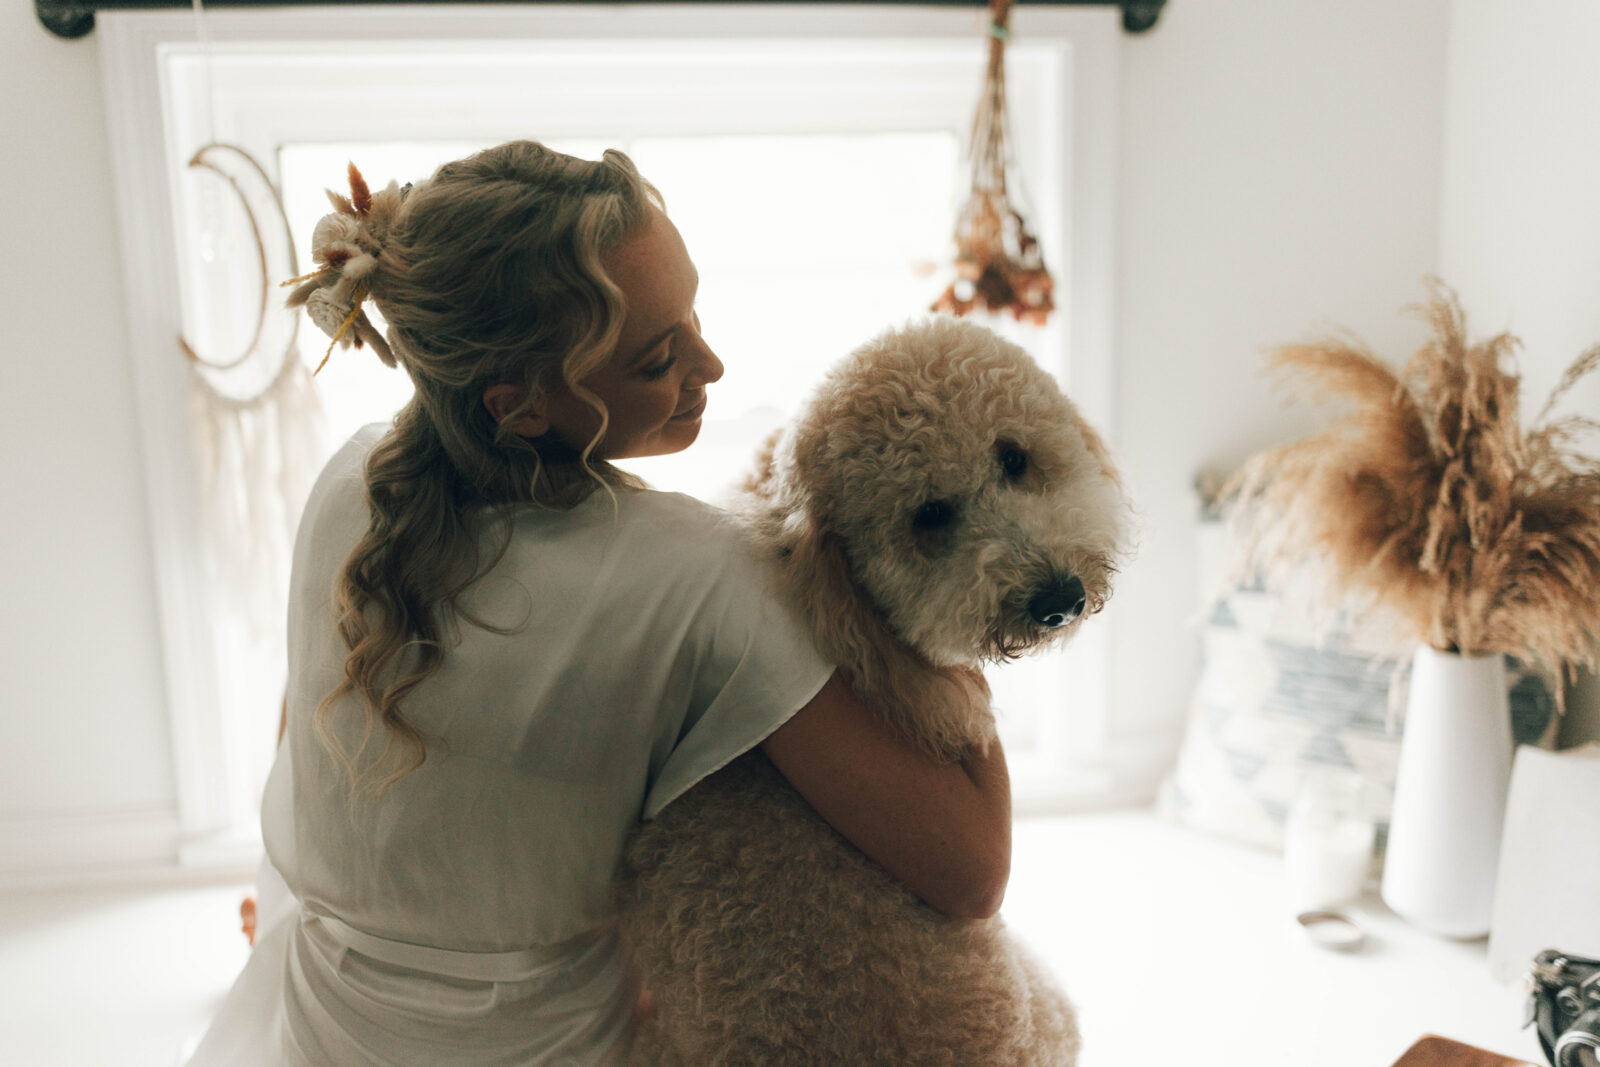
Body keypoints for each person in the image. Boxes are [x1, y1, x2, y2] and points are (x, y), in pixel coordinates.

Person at [183, 141, 1011, 1066]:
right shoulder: (697, 571)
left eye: (695, 313)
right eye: (659, 357)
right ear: (517, 407)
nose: (715, 363)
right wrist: (940, 594)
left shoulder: (352, 478)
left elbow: (303, 726)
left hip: (318, 1016)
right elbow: (970, 868)